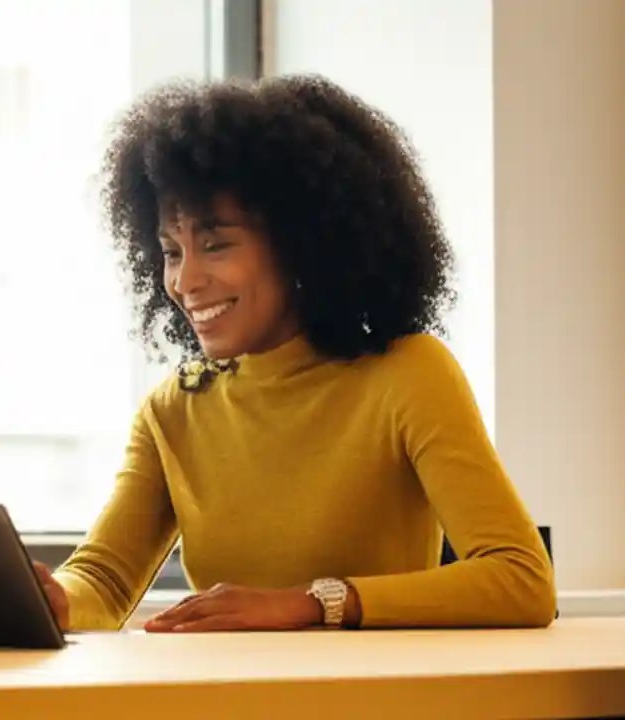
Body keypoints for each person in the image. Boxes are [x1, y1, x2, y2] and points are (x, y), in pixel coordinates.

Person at [42, 75, 556, 632]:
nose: (184, 279)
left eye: (216, 245)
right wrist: (44, 598)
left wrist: (311, 603)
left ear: (302, 245)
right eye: (170, 251)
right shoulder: (174, 409)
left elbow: (520, 580)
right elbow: (103, 580)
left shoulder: (406, 374)